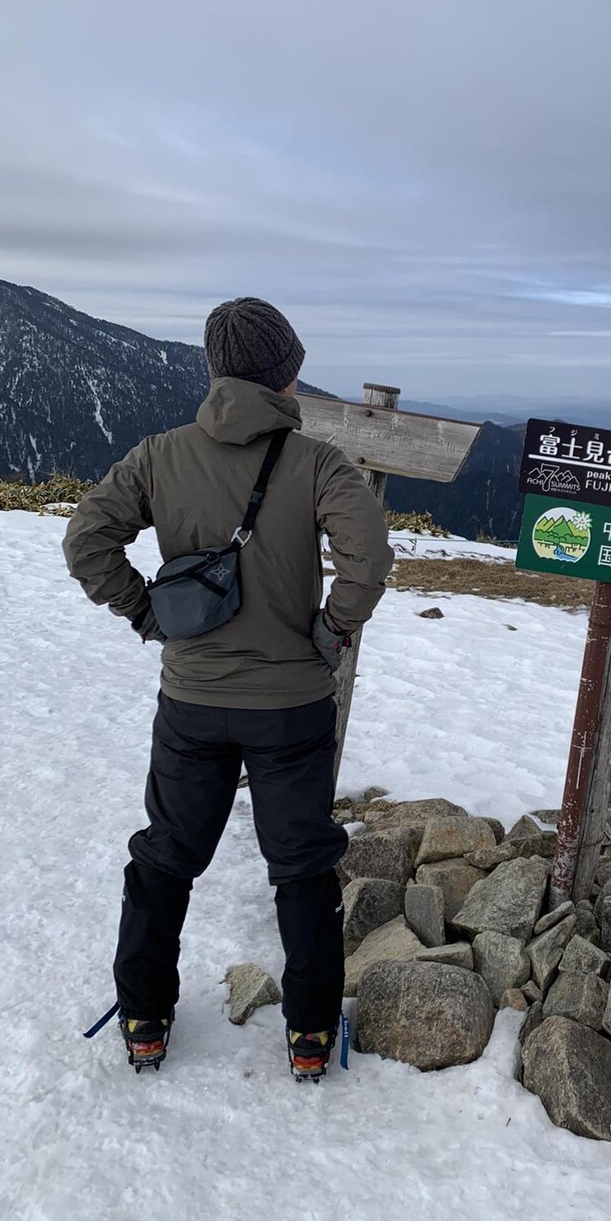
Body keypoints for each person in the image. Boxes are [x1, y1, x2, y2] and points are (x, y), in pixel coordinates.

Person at [64, 297, 394, 1079]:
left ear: (215, 369)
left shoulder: (159, 454)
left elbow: (86, 540)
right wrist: (331, 631)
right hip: (292, 706)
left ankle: (145, 1019)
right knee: (302, 865)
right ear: (289, 372)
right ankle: (310, 1038)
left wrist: (148, 613)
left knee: (166, 858)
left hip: (192, 702)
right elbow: (369, 561)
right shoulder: (318, 462)